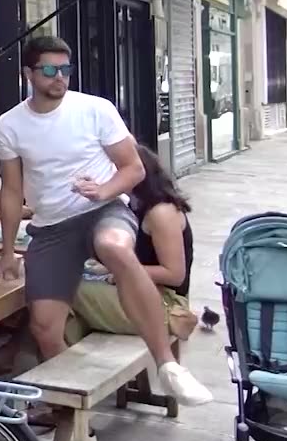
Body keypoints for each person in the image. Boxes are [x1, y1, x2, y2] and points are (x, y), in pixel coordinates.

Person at [0, 36, 211, 405]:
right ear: (28, 73)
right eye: (49, 70)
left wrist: (105, 189)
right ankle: (72, 413)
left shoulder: (95, 109)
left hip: (103, 209)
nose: (59, 77)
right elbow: (11, 192)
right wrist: (7, 253)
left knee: (114, 247)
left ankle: (168, 365)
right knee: (44, 327)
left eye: (66, 69)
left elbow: (134, 167)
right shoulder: (10, 125)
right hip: (51, 227)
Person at [69, 143, 198, 342]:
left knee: (67, 290)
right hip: (132, 287)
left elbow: (174, 275)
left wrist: (119, 269)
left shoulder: (161, 212)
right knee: (65, 319)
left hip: (164, 299)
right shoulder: (126, 206)